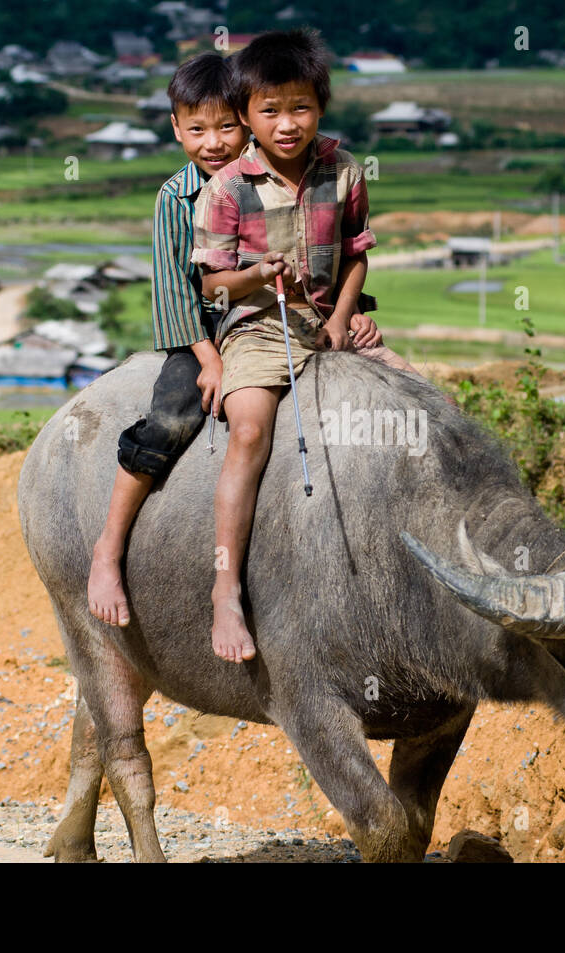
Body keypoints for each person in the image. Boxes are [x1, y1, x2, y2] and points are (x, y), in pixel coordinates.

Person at [87, 50, 391, 628]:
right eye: (197, 129)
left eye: (227, 126)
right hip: (203, 326)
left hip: (293, 315)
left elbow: (331, 256)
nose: (214, 142)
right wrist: (207, 357)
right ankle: (109, 547)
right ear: (175, 128)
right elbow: (179, 288)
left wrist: (351, 314)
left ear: (243, 122)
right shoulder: (179, 197)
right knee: (172, 418)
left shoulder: (314, 170)